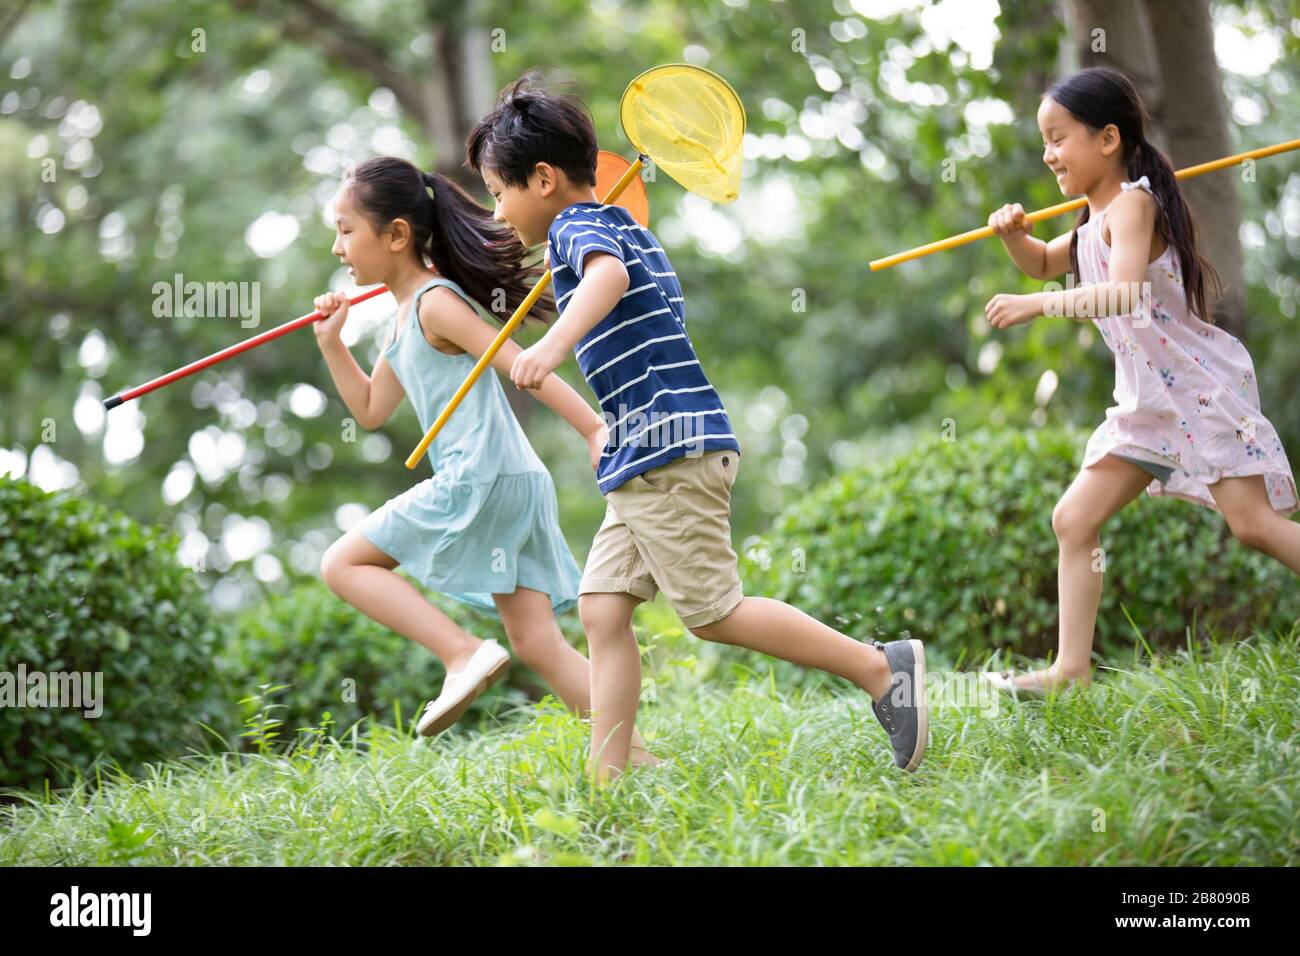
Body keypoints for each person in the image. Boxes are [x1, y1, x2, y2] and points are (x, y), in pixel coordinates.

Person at [466, 71, 928, 781]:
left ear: (545, 179)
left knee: (714, 612)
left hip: (669, 451)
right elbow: (612, 290)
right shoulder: (621, 226)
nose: (498, 213)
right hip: (647, 455)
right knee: (602, 610)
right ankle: (610, 777)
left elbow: (607, 281)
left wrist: (551, 348)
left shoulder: (580, 231)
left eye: (499, 193)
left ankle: (879, 669)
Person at [311, 154, 657, 765]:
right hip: (511, 482)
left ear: (395, 235)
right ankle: (639, 762)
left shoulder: (435, 304)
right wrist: (333, 344)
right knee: (536, 643)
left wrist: (592, 427)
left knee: (343, 563)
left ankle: (460, 652)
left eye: (345, 231)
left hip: (482, 478)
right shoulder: (400, 320)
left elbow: (524, 368)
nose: (338, 249)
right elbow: (369, 408)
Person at [982, 67, 1299, 696]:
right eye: (1044, 142)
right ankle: (1071, 671)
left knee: (1252, 525)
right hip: (1147, 402)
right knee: (1074, 519)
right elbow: (1048, 262)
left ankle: (1071, 669)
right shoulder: (1088, 218)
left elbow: (1123, 292)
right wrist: (1015, 238)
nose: (1049, 155)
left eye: (1058, 138)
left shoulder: (1133, 203)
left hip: (1197, 389)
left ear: (1106, 139)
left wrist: (1034, 305)